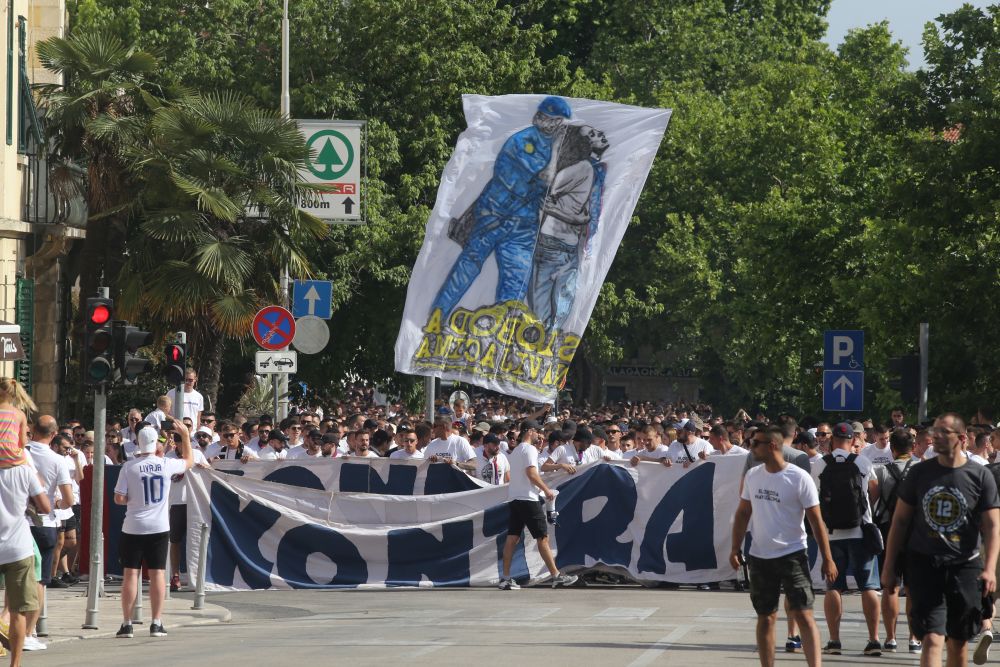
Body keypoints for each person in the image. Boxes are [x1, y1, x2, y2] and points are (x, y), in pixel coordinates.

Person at [431, 96, 572, 319]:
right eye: (553, 120)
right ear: (542, 118)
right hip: (495, 215)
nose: (556, 126)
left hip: (523, 223)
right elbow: (545, 179)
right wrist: (555, 153)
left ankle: (499, 333)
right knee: (468, 267)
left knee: (517, 279)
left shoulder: (556, 145)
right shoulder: (522, 141)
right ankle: (436, 318)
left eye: (559, 122)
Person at [883, 413, 1000, 667]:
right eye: (934, 431)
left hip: (965, 567)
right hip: (925, 566)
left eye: (943, 431)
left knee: (957, 643)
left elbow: (992, 526)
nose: (934, 436)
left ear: (960, 438)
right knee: (932, 638)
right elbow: (900, 521)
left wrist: (990, 569)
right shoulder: (919, 473)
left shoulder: (980, 476)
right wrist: (889, 566)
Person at [730, 425, 837, 667]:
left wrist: (828, 558)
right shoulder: (753, 475)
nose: (751, 446)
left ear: (773, 446)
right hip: (759, 556)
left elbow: (816, 520)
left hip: (792, 554)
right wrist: (735, 547)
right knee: (766, 617)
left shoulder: (799, 477)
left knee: (803, 614)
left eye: (756, 443)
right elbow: (743, 513)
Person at [114, 422, 194, 638]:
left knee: (131, 574)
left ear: (138, 443)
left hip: (133, 526)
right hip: (159, 526)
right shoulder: (165, 464)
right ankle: (156, 622)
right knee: (158, 573)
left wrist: (133, 499)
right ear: (155, 442)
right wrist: (185, 436)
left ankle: (127, 623)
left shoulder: (129, 467)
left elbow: (119, 498)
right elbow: (189, 461)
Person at [813, 421, 883, 656]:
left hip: (831, 534)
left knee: (834, 587)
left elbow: (815, 500)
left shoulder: (820, 465)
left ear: (832, 439)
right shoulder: (863, 462)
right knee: (869, 587)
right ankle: (873, 640)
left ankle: (834, 641)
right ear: (854, 440)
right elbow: (874, 490)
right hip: (860, 531)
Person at [499, 419, 578, 590]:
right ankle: (556, 576)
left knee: (512, 538)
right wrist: (546, 490)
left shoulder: (517, 451)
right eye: (538, 432)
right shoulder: (529, 449)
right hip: (528, 499)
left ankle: (505, 578)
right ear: (529, 431)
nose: (541, 435)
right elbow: (531, 473)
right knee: (543, 537)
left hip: (515, 498)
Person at [23, 416, 73, 651]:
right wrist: (58, 503)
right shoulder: (57, 460)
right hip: (45, 522)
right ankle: (29, 632)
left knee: (19, 578)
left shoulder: (20, 453)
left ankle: (15, 627)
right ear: (54, 435)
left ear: (32, 431)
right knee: (40, 581)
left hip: (19, 522)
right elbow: (69, 500)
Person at [872, 428, 919, 654]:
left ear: (892, 449)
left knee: (890, 586)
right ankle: (913, 638)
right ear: (913, 447)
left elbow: (874, 502)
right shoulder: (921, 470)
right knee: (913, 588)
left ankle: (890, 638)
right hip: (916, 534)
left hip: (889, 531)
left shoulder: (882, 471)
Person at [0, 457, 49, 667]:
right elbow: (45, 507)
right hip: (18, 547)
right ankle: (15, 664)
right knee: (18, 611)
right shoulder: (24, 470)